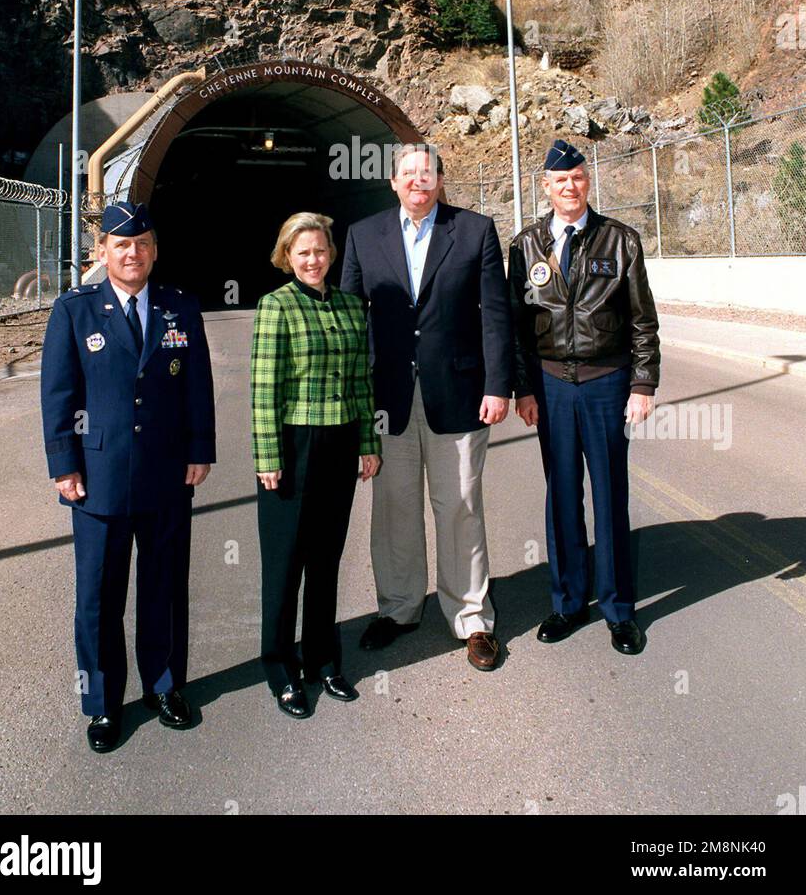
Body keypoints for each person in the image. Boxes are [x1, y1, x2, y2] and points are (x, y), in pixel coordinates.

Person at [40, 201, 216, 752]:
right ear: (103, 253)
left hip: (167, 475)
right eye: (121, 245)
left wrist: (200, 450)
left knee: (163, 588)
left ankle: (163, 686)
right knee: (97, 597)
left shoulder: (179, 308)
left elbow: (197, 388)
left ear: (154, 251)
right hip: (97, 479)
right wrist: (64, 464)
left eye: (141, 244)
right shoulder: (75, 310)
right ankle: (101, 705)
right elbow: (59, 394)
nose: (132, 253)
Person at [341, 144, 513, 672]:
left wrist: (499, 385)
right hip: (385, 398)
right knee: (394, 509)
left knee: (460, 506)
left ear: (441, 180)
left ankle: (472, 618)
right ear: (392, 182)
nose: (419, 180)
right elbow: (350, 321)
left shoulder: (475, 230)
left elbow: (495, 315)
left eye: (429, 172)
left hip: (458, 394)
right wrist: (353, 399)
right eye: (409, 173)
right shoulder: (362, 235)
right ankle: (398, 608)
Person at [509, 139, 660, 656]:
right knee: (563, 496)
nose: (569, 187)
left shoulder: (621, 241)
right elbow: (517, 329)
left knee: (610, 494)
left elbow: (643, 320)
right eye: (559, 181)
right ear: (545, 187)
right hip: (551, 385)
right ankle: (569, 601)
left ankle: (619, 609)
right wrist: (523, 388)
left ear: (586, 183)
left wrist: (642, 385)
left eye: (577, 178)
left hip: (605, 382)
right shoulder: (524, 246)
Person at [251, 212, 381, 720]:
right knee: (285, 566)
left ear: (332, 254)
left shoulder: (351, 307)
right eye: (303, 252)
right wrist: (268, 457)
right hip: (293, 445)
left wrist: (367, 441)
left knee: (326, 561)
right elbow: (265, 391)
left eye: (321, 251)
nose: (313, 260)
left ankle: (323, 661)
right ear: (287, 255)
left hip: (341, 443)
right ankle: (280, 667)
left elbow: (362, 384)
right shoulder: (274, 307)